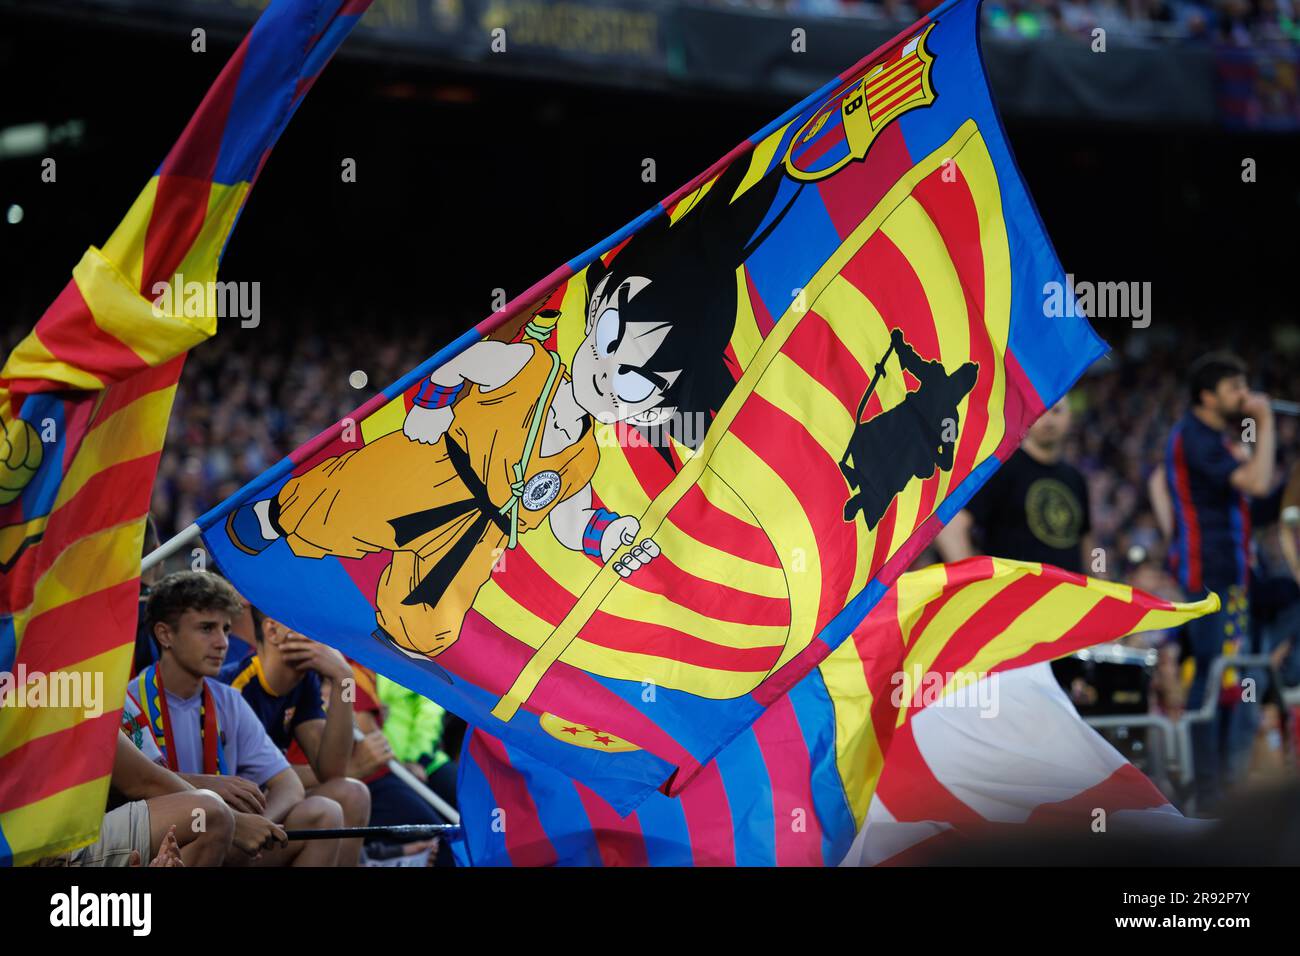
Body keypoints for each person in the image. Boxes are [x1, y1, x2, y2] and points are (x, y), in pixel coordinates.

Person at [127, 570, 352, 865]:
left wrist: (255, 826)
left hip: (223, 835)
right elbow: (136, 784)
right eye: (207, 629)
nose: (222, 643)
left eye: (226, 629)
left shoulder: (228, 700)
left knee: (327, 812)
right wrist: (230, 817)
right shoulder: (129, 701)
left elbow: (290, 784)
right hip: (158, 843)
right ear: (165, 634)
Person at [1164, 351, 1275, 812]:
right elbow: (1257, 483)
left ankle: (1227, 790)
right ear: (1207, 396)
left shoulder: (1217, 437)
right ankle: (1207, 795)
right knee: (1210, 679)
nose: (1244, 396)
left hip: (1233, 579)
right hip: (1207, 577)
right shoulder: (1195, 436)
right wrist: (1264, 422)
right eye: (1235, 388)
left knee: (1232, 679)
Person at [221, 607, 372, 866]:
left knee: (352, 794)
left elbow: (332, 771)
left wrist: (344, 680)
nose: (322, 632)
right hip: (234, 829)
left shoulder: (304, 683)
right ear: (272, 631)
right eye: (306, 621)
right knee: (324, 812)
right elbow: (240, 783)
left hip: (271, 807)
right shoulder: (235, 687)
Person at [935, 394, 1092, 572]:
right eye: (1041, 411)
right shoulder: (1000, 467)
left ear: (1070, 416)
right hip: (1016, 596)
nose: (1048, 420)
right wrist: (970, 580)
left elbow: (1092, 544)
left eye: (1056, 411)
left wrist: (1104, 580)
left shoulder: (1076, 478)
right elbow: (950, 527)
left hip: (1068, 596)